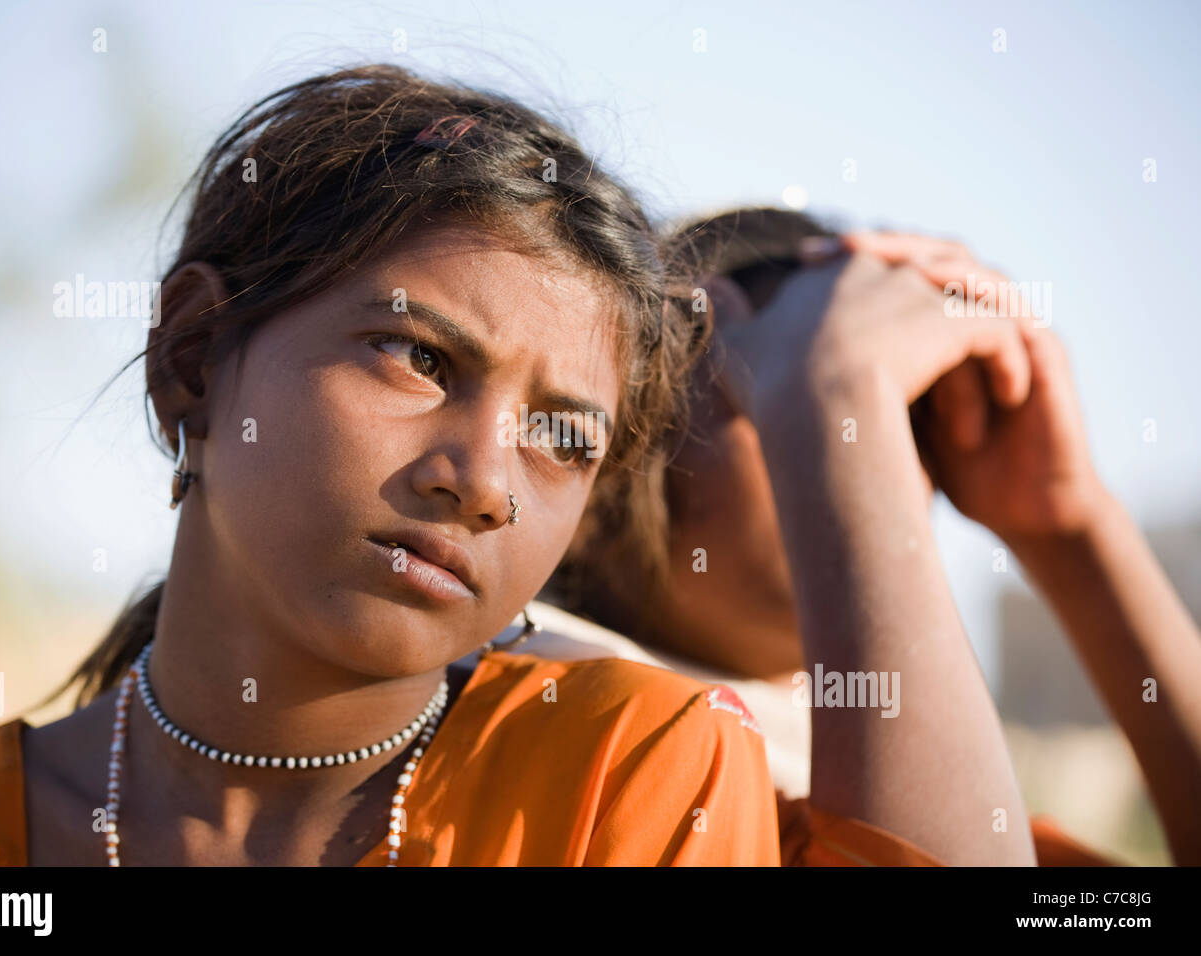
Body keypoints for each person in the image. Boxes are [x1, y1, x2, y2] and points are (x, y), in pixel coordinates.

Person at [0, 67, 966, 867]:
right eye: (419, 357)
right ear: (192, 356)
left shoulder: (632, 770)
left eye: (563, 436)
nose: (485, 481)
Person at [514, 206, 1201, 866]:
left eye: (907, 412)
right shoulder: (535, 730)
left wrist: (1069, 529)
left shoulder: (951, 802)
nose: (878, 460)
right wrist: (834, 390)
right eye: (779, 395)